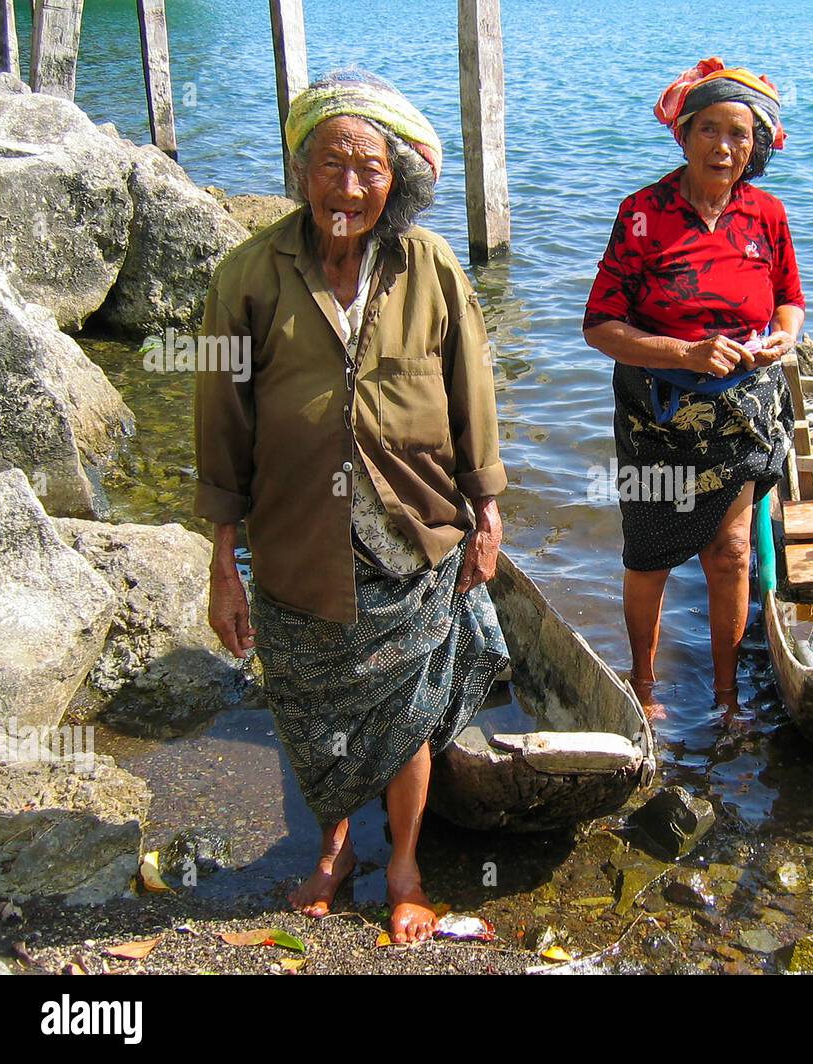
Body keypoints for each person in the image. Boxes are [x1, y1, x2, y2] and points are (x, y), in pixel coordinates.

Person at [194, 69, 508, 943]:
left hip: (411, 538)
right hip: (297, 543)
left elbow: (471, 395)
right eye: (331, 165)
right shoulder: (247, 276)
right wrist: (223, 560)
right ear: (300, 172)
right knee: (309, 708)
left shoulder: (431, 266)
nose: (349, 188)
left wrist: (486, 513)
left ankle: (404, 862)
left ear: (395, 178)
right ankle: (332, 850)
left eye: (369, 169)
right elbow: (220, 424)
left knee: (406, 712)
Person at [582, 57, 805, 716]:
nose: (724, 146)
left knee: (732, 553)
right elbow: (600, 326)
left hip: (741, 413)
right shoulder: (643, 215)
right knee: (650, 556)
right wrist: (684, 350)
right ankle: (644, 686)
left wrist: (785, 337)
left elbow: (791, 301)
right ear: (684, 136)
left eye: (739, 134)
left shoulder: (766, 216)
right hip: (658, 418)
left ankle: (728, 695)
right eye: (709, 129)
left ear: (755, 146)